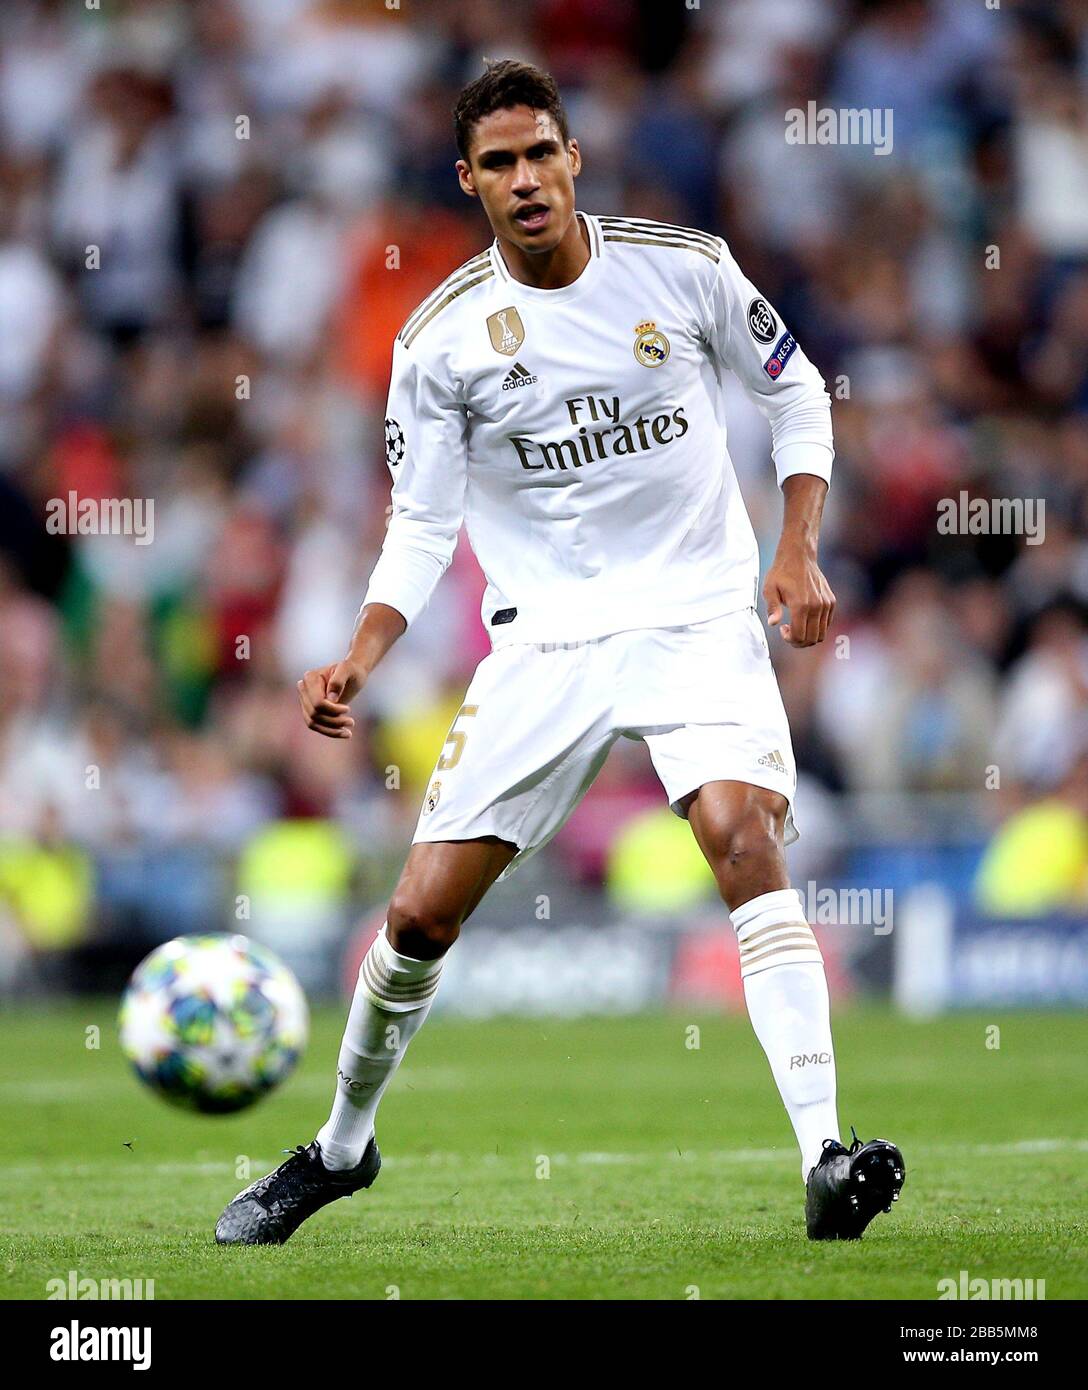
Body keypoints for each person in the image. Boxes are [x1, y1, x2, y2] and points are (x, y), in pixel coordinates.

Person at [216, 60, 904, 1247]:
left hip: (694, 611)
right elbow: (422, 523)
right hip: (545, 643)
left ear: (573, 156)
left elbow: (796, 394)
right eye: (499, 163)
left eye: (541, 152)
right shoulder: (439, 344)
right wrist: (361, 655)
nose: (525, 179)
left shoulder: (681, 268)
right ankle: (339, 1146)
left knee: (737, 831)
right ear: (467, 181)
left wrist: (793, 546)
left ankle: (823, 1155)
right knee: (421, 916)